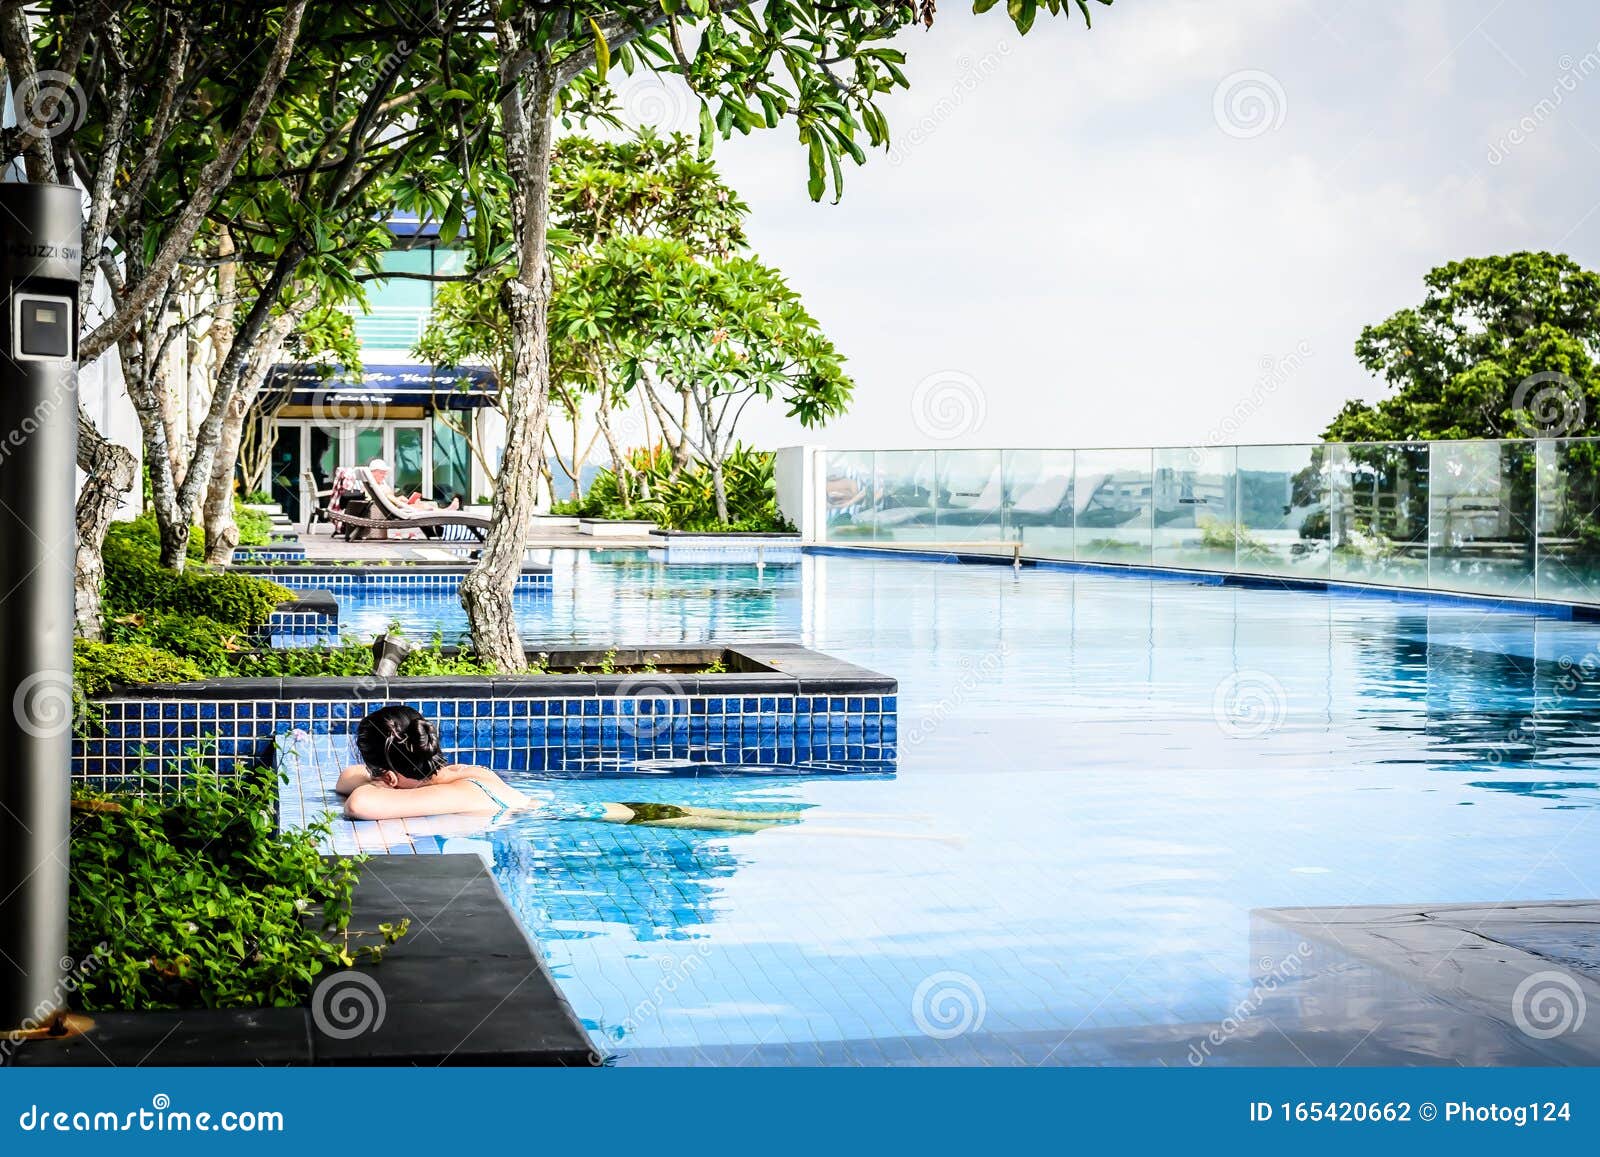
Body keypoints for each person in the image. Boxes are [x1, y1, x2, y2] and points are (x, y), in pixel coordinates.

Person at [338, 705, 805, 831]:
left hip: (577, 816)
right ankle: (772, 818)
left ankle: (773, 820)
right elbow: (348, 779)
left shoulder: (451, 793)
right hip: (582, 807)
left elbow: (359, 802)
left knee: (706, 823)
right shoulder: (458, 773)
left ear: (391, 774)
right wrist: (385, 776)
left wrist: (384, 782)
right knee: (706, 818)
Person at [365, 457, 460, 513]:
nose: (384, 475)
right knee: (426, 507)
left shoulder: (379, 484)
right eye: (381, 472)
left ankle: (447, 511)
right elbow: (392, 501)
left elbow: (390, 501)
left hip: (395, 508)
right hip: (395, 510)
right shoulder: (376, 486)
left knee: (422, 504)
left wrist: (402, 500)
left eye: (385, 473)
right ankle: (447, 511)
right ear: (373, 472)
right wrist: (407, 505)